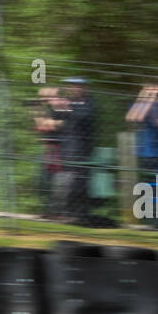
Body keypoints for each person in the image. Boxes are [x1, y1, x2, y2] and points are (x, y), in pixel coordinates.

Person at [49, 77, 96, 222]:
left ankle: (80, 214)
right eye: (71, 86)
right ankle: (65, 212)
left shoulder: (89, 103)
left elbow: (82, 116)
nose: (74, 88)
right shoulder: (66, 102)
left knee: (79, 182)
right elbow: (55, 117)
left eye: (77, 86)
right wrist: (52, 103)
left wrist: (66, 107)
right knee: (65, 182)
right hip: (65, 148)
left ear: (84, 88)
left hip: (81, 148)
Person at [125, 82, 158, 186]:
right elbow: (133, 118)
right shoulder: (138, 105)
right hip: (145, 152)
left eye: (156, 91)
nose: (154, 93)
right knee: (145, 185)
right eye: (150, 91)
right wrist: (145, 100)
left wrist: (154, 108)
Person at [32, 86, 63, 217]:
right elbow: (40, 125)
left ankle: (57, 211)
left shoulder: (63, 109)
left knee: (56, 181)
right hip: (48, 149)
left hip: (59, 149)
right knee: (44, 180)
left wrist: (48, 123)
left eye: (49, 97)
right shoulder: (46, 110)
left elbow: (55, 125)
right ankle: (49, 210)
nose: (45, 100)